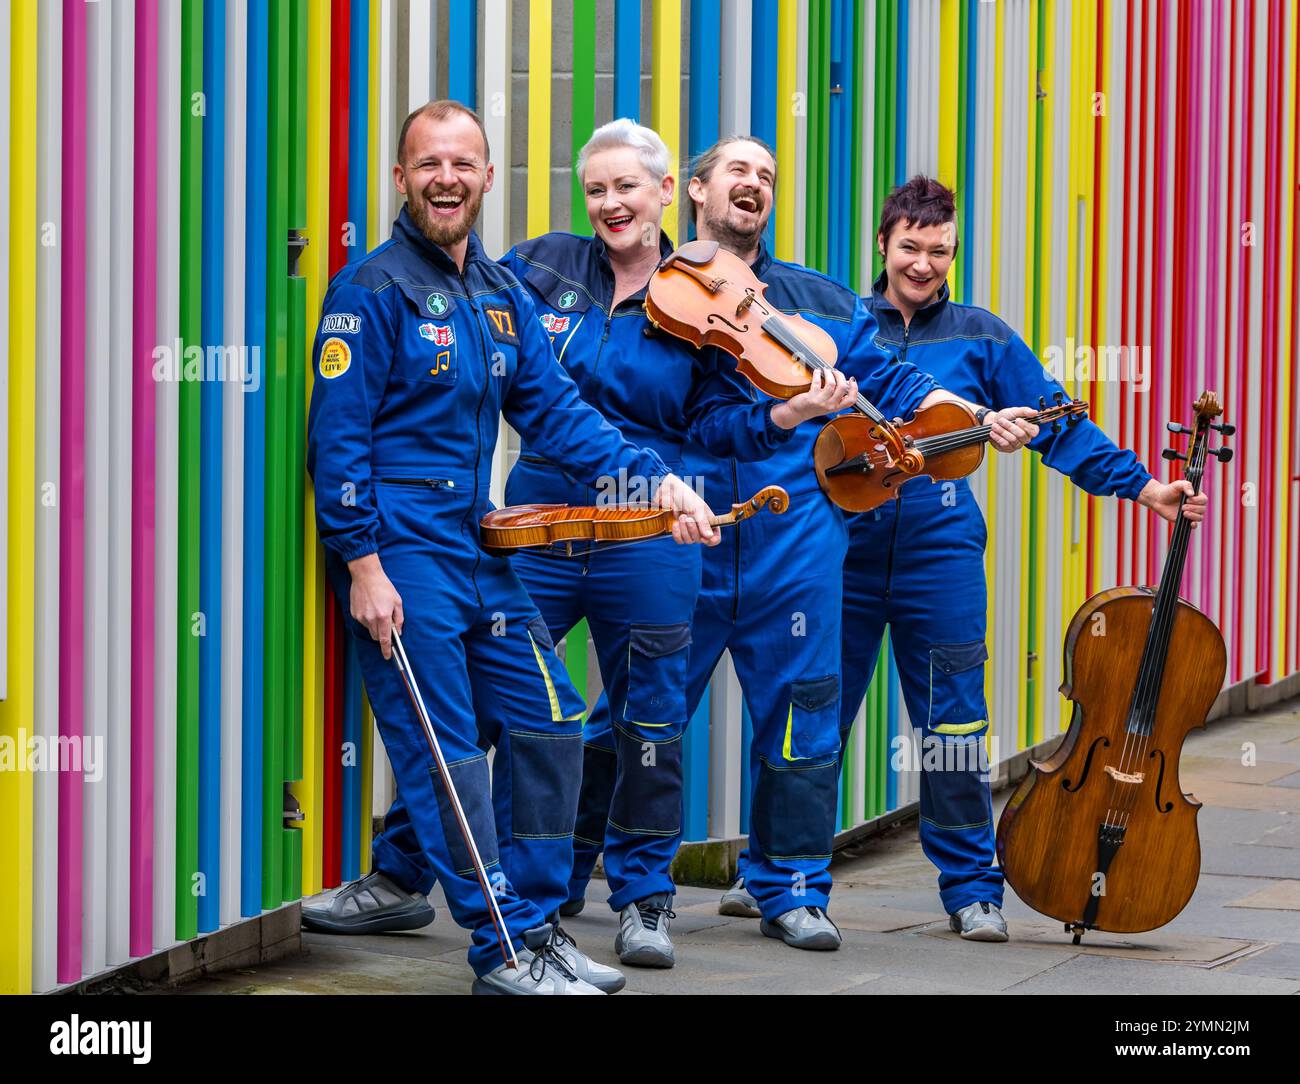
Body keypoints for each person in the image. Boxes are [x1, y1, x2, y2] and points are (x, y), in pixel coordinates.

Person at [308, 119, 852, 971]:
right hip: (503, 532)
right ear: (403, 175)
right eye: (596, 187)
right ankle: (478, 920)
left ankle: (595, 908)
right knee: (468, 729)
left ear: (668, 194)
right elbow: (344, 439)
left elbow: (586, 409)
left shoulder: (685, 294)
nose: (611, 202)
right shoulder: (511, 273)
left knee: (600, 718)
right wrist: (363, 563)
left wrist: (696, 466)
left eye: (627, 186)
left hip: (615, 529)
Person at [564, 139, 1029, 963]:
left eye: (768, 175)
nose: (754, 183)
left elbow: (894, 379)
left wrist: (953, 405)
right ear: (694, 191)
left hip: (798, 544)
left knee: (806, 722)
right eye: (736, 170)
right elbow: (658, 417)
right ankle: (609, 881)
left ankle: (793, 887)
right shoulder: (656, 300)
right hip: (690, 534)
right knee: (646, 714)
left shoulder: (816, 298)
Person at [836, 175, 1209, 942]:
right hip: (836, 550)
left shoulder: (983, 334)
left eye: (939, 252)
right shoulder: (842, 323)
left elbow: (1056, 423)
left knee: (952, 727)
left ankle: (972, 890)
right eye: (910, 247)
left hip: (939, 552)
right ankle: (783, 876)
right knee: (812, 716)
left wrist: (1144, 487)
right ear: (882, 244)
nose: (923, 265)